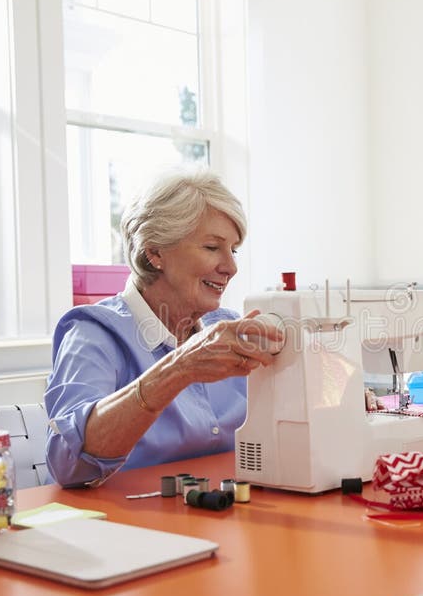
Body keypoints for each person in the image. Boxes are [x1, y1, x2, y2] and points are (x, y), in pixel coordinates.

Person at [45, 168, 283, 488]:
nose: (231, 267)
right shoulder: (94, 334)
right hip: (129, 525)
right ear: (155, 252)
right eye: (212, 247)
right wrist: (179, 368)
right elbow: (68, 464)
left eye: (234, 249)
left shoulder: (226, 329)